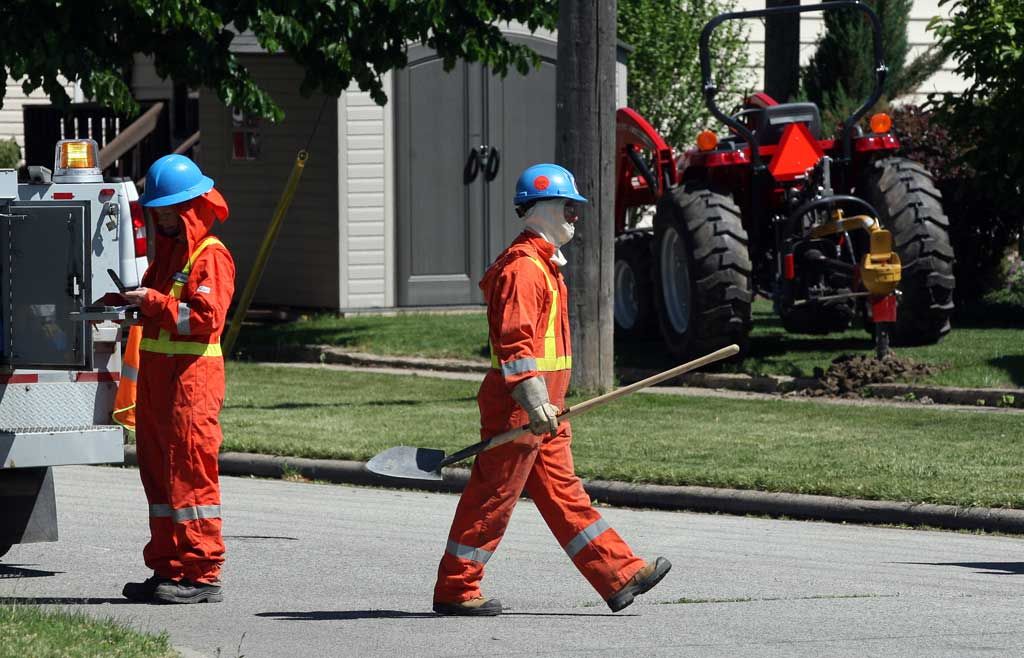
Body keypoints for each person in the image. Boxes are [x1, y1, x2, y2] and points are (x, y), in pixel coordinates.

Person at [432, 163, 671, 616]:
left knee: (564, 493)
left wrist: (546, 403)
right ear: (541, 208)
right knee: (493, 497)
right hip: (520, 408)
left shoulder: (544, 266)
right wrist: (534, 400)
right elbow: (516, 345)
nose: (575, 216)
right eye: (568, 207)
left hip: (545, 408)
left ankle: (619, 573)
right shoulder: (523, 269)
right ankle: (456, 588)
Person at [119, 154, 235, 604]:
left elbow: (205, 318)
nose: (163, 218)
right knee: (160, 480)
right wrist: (126, 304)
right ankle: (168, 568)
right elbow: (161, 308)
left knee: (190, 478)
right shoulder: (168, 255)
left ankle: (202, 574)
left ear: (192, 206)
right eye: (158, 211)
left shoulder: (211, 256)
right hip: (159, 386)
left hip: (192, 386)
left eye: (170, 210)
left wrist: (152, 303)